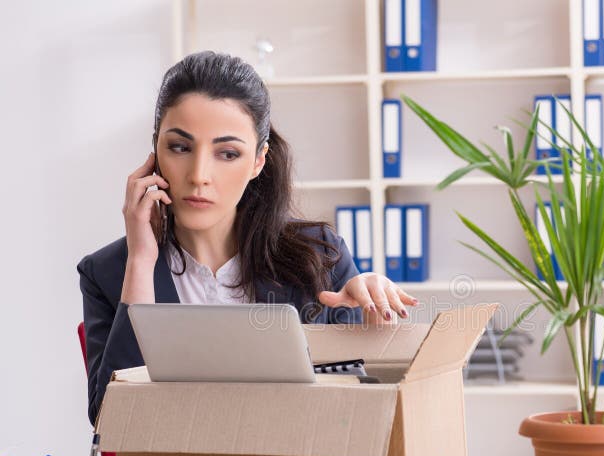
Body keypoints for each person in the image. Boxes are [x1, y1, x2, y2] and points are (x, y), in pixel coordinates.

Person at [78, 51, 417, 426]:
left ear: (258, 161)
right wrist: (140, 262)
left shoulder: (319, 255)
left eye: (227, 153)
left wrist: (372, 325)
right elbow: (112, 420)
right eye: (180, 147)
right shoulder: (108, 273)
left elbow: (358, 413)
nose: (199, 175)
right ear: (155, 150)